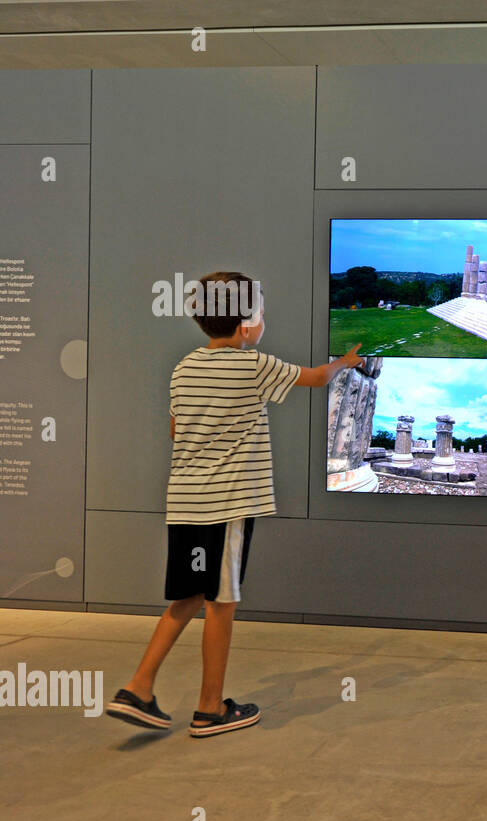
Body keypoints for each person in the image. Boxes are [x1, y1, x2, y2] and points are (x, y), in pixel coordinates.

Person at [106, 272, 362, 738]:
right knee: (222, 603)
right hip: (226, 508)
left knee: (185, 598)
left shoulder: (183, 367)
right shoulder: (255, 366)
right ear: (246, 326)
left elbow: (175, 431)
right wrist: (344, 361)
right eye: (262, 313)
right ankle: (209, 710)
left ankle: (138, 687)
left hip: (185, 504)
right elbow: (318, 377)